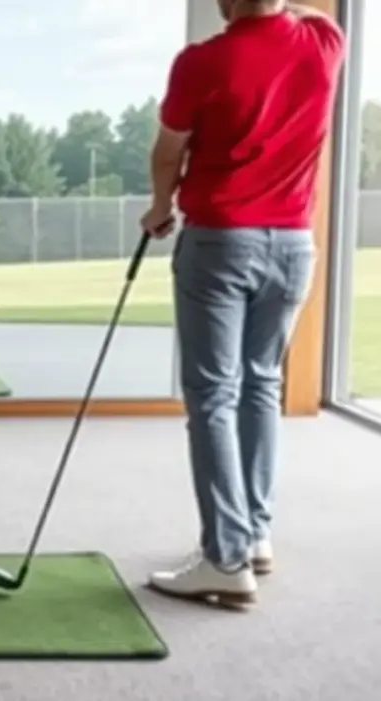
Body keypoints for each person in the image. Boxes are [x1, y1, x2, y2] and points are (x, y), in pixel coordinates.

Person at [139, 0, 346, 607]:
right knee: (260, 385)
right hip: (294, 247)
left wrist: (159, 208)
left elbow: (168, 153)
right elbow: (300, 13)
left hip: (221, 242)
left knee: (212, 397)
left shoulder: (201, 62)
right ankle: (254, 536)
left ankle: (225, 560)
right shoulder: (324, 42)